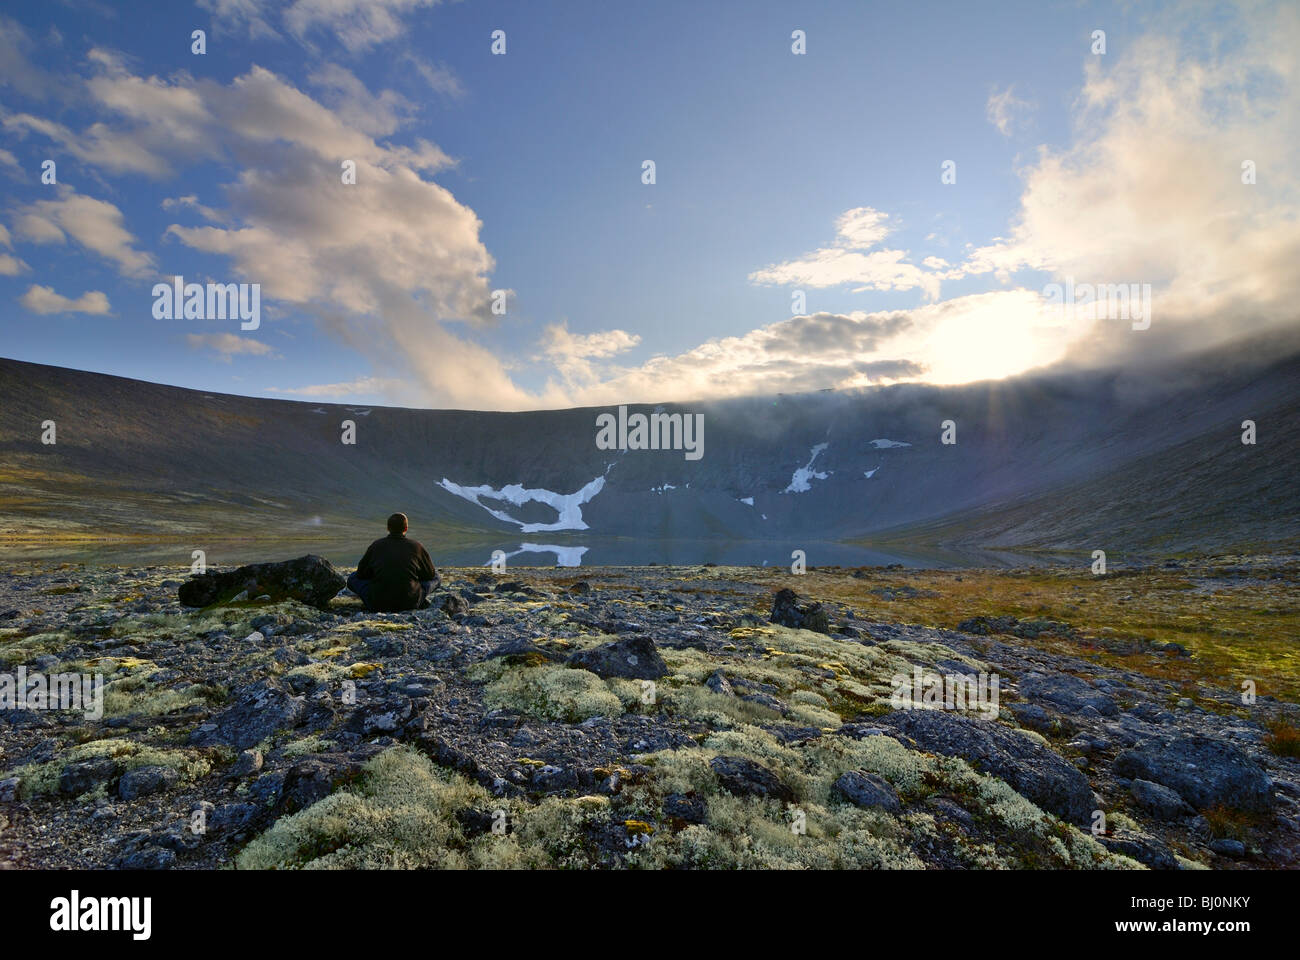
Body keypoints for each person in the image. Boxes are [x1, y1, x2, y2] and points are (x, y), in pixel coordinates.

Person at [346, 513, 440, 612]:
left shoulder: (376, 545)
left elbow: (361, 573)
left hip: (376, 603)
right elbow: (429, 574)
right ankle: (416, 596)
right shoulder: (417, 547)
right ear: (406, 528)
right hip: (410, 602)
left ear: (388, 528)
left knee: (352, 577)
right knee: (436, 577)